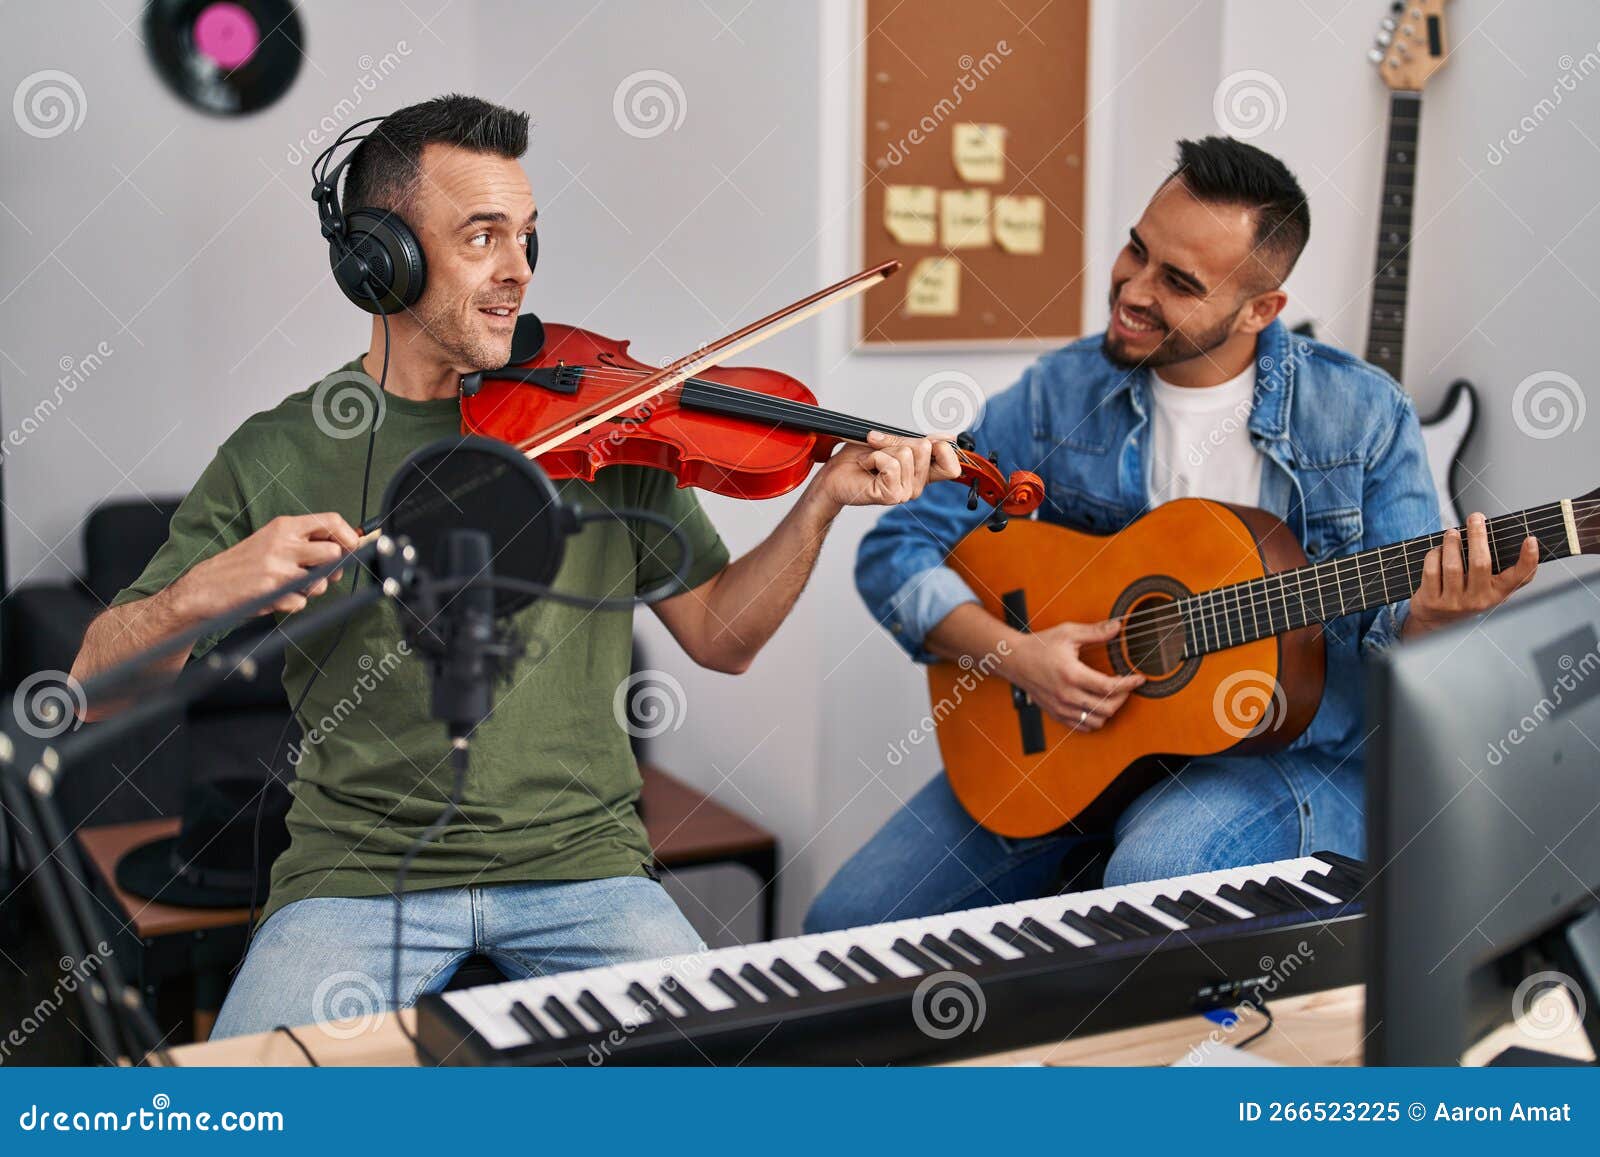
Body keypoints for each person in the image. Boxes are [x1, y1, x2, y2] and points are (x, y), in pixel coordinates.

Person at [68, 94, 957, 1038]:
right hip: (354, 877)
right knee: (249, 1114)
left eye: (528, 237)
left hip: (587, 867)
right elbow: (92, 683)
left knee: (730, 1099)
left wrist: (819, 503)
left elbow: (723, 639)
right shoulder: (279, 450)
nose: (518, 271)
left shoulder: (615, 425)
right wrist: (202, 594)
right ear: (383, 257)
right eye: (482, 237)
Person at [806, 136, 1538, 933]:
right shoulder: (1061, 392)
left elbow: (1401, 657)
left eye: (1179, 282)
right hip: (1070, 741)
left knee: (1156, 871)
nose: (1132, 288)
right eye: (1136, 249)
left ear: (1260, 309)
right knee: (845, 921)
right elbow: (897, 548)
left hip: (1297, 760)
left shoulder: (1363, 416)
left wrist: (1430, 622)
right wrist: (1016, 655)